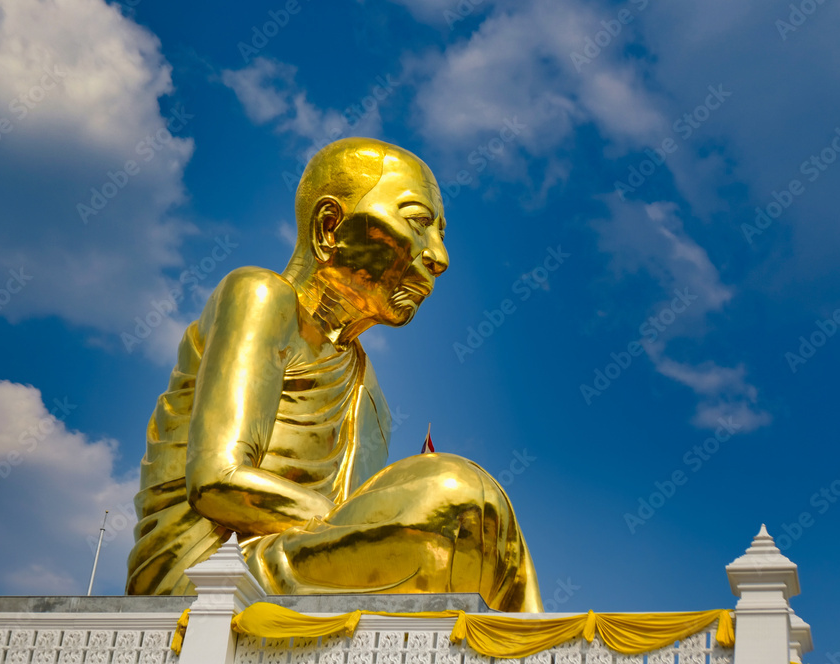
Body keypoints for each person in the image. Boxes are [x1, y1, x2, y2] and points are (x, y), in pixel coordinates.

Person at [126, 137, 542, 612]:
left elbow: (353, 517)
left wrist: (371, 521)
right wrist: (357, 522)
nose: (439, 257)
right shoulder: (262, 296)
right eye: (418, 223)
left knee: (478, 515)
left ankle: (533, 640)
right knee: (456, 493)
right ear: (329, 227)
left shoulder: (368, 389)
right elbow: (216, 481)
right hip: (213, 571)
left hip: (310, 551)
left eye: (441, 234)